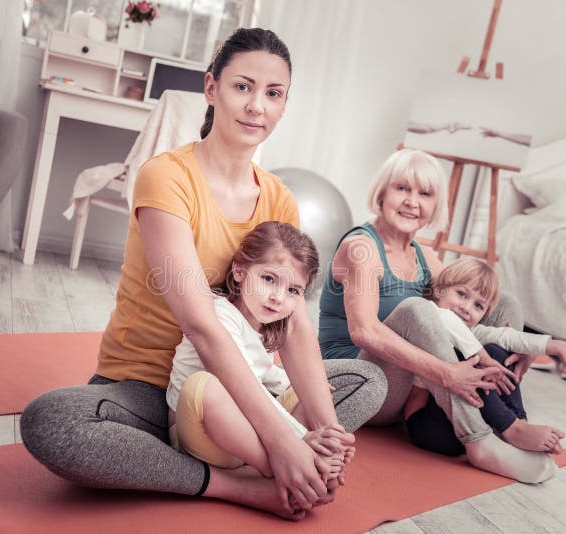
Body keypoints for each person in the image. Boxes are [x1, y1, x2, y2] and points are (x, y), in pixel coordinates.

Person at [20, 28, 385, 521]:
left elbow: (294, 322)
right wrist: (282, 443)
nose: (257, 106)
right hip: (149, 388)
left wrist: (323, 432)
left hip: (252, 386)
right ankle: (239, 485)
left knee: (366, 381)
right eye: (243, 87)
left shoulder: (278, 197)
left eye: (273, 94)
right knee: (51, 423)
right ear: (211, 89)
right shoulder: (166, 177)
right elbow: (200, 324)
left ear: (283, 106)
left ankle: (278, 453)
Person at [318, 147, 557, 483]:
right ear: (383, 192)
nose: (412, 202)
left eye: (425, 193)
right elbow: (365, 332)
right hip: (361, 382)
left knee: (504, 304)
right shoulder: (362, 248)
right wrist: (447, 373)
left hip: (404, 383)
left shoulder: (421, 255)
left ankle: (508, 416)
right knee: (418, 309)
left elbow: (467, 311)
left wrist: (523, 345)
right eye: (402, 188)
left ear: (435, 207)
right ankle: (481, 439)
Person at [168, 221, 349, 480]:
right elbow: (245, 385)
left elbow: (267, 374)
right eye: (268, 279)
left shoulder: (265, 326)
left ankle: (319, 452)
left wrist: (307, 398)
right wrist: (301, 436)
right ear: (240, 272)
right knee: (205, 386)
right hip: (200, 434)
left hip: (247, 434)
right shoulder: (219, 314)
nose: (278, 297)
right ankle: (291, 460)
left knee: (314, 389)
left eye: (292, 290)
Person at [403, 257, 566, 456]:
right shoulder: (426, 319)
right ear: (439, 290)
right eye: (461, 294)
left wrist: (555, 346)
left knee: (495, 350)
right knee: (467, 358)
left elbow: (506, 336)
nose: (466, 308)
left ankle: (519, 422)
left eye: (478, 306)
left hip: (466, 426)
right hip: (426, 428)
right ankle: (512, 429)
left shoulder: (472, 332)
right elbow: (441, 321)